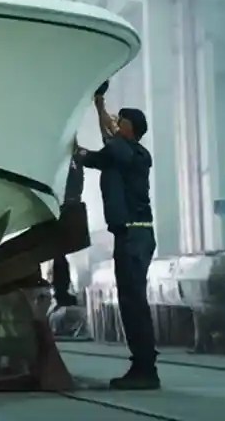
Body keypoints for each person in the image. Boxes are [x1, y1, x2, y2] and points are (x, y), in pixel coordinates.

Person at [74, 92, 158, 390]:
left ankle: (145, 369)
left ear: (130, 129)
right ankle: (144, 366)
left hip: (134, 236)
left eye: (120, 122)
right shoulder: (125, 153)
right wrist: (99, 104)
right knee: (132, 301)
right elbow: (106, 142)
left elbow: (104, 149)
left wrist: (74, 149)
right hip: (134, 235)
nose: (113, 124)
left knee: (133, 303)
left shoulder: (129, 153)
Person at [50, 157, 85, 308]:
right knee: (59, 256)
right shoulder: (73, 158)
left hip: (62, 203)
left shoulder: (71, 159)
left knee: (59, 256)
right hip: (66, 202)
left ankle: (61, 293)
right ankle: (61, 293)